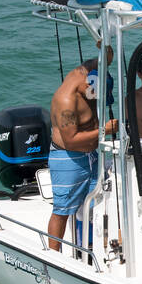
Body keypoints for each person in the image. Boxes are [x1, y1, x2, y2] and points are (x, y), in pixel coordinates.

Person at [47, 50, 119, 253]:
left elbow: (107, 56)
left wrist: (104, 41)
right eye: (94, 92)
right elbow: (71, 141)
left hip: (93, 155)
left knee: (98, 201)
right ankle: (53, 257)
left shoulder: (90, 69)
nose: (96, 96)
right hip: (68, 158)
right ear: (85, 84)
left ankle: (91, 247)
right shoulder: (66, 102)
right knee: (63, 209)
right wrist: (106, 130)